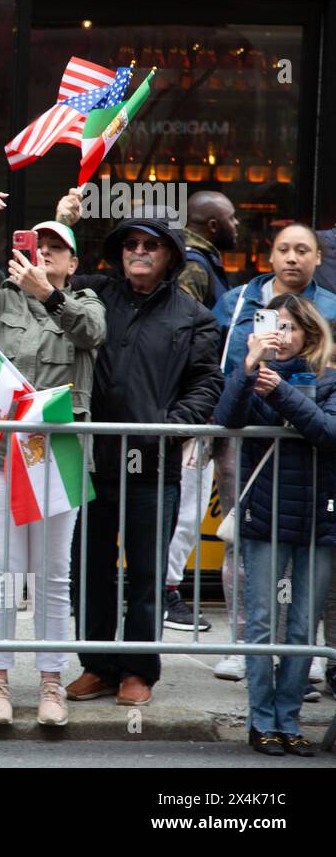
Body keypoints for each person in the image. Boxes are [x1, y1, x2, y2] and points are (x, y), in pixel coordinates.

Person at [0, 192, 106, 726]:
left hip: (60, 454)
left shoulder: (89, 302)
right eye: (40, 246)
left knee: (54, 575)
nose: (48, 253)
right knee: (1, 573)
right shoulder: (2, 300)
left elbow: (91, 333)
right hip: (3, 455)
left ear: (74, 263)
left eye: (58, 248)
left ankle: (52, 683)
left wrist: (51, 296)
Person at [66, 212, 223, 707]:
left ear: (170, 256)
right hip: (92, 460)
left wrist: (171, 425)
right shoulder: (93, 295)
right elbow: (46, 277)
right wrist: (62, 220)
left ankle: (139, 670)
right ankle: (97, 666)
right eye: (131, 243)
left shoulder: (194, 316)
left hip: (153, 466)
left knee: (147, 573)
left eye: (150, 246)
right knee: (89, 567)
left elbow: (207, 383)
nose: (139, 251)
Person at [214, 294, 336, 757]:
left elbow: (328, 432)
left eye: (289, 328)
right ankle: (260, 720)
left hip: (318, 519)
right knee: (262, 623)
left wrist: (277, 389)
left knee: (303, 627)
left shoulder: (328, 380)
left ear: (308, 333)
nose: (279, 336)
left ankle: (289, 720)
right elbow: (226, 422)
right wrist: (247, 367)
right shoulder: (254, 375)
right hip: (265, 515)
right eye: (273, 326)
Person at [159, 192, 240, 640]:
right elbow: (186, 337)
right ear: (211, 224)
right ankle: (166, 591)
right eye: (231, 219)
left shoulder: (201, 262)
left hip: (192, 404)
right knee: (185, 507)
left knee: (186, 505)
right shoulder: (193, 265)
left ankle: (164, 588)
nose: (237, 225)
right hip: (190, 408)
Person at [215, 224, 336, 377]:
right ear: (272, 255)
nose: (292, 259)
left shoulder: (331, 308)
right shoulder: (236, 301)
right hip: (239, 394)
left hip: (308, 397)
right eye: (283, 250)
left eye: (302, 251)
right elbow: (207, 360)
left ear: (318, 257)